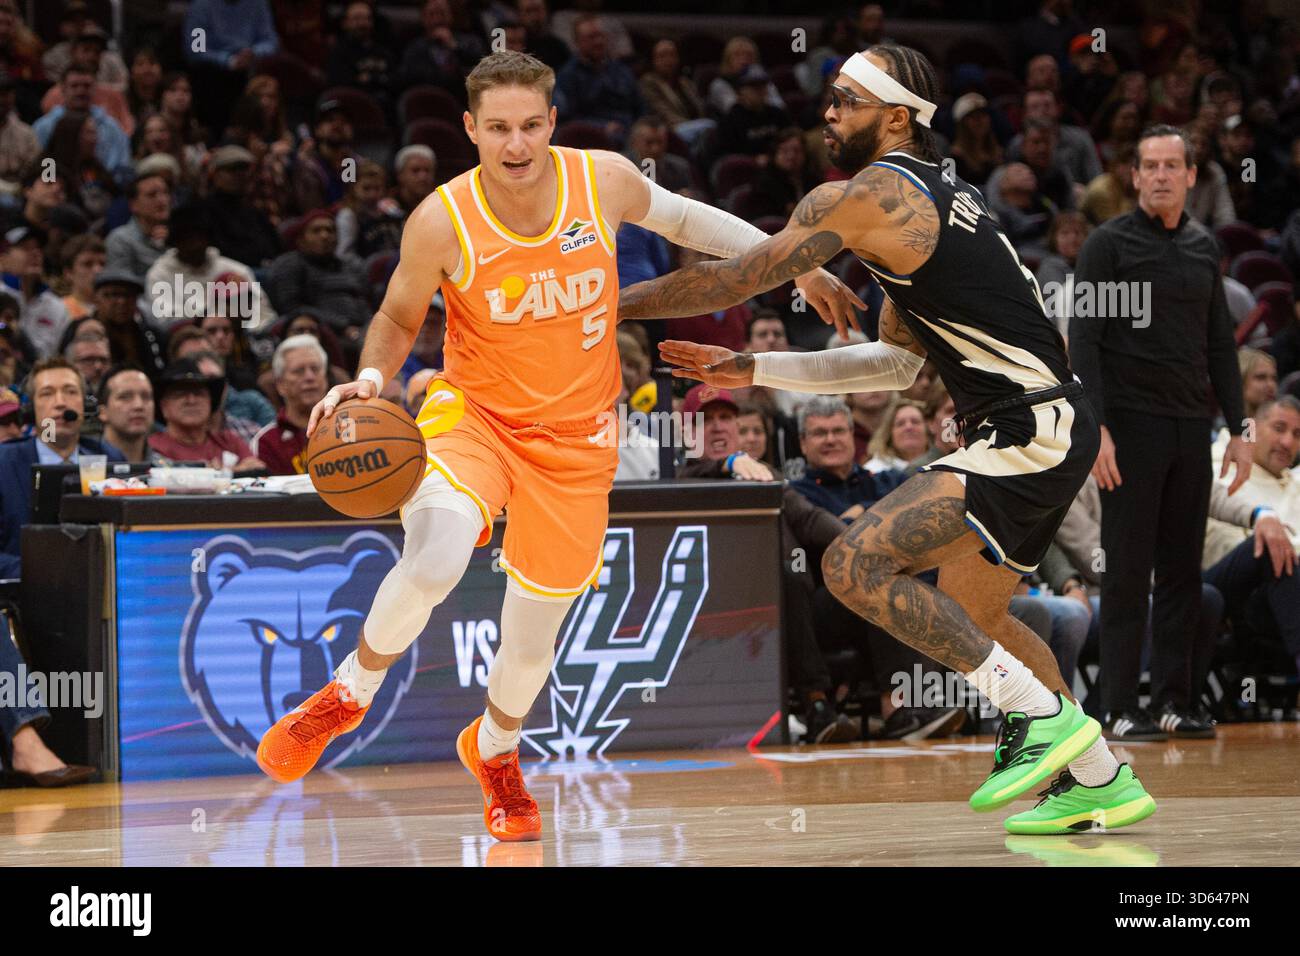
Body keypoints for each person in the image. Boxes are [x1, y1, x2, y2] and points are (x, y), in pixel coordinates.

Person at [254, 50, 860, 842]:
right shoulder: (442, 217)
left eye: (531, 126)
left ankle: (496, 753)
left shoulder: (599, 179)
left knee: (531, 634)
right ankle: (345, 694)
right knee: (436, 553)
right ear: (470, 128)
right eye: (498, 128)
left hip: (577, 441)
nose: (515, 145)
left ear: (551, 122)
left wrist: (796, 261)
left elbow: (686, 218)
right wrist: (371, 377)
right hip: (474, 418)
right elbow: (401, 316)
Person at [622, 43, 1156, 834]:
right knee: (982, 619)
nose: (827, 111)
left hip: (1025, 428)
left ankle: (1040, 718)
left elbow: (736, 278)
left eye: (846, 99)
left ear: (896, 117)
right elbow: (896, 364)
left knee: (851, 562)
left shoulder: (876, 190)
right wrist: (754, 366)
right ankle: (1099, 777)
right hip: (1043, 424)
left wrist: (601, 306)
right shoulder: (940, 201)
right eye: (829, 96)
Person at [1070, 124, 1251, 740]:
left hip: (1190, 429)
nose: (1162, 175)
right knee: (1126, 571)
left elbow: (1221, 348)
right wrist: (1097, 431)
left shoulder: (1204, 248)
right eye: (1150, 165)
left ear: (1192, 176)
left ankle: (1176, 700)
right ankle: (1119, 706)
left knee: (1181, 572)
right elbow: (1084, 343)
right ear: (1136, 175)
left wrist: (1240, 428)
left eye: (1173, 165)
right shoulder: (1107, 244)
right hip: (1129, 428)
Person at [1202, 396, 1300, 685]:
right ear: (1252, 429)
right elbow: (1220, 543)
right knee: (1272, 546)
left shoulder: (1294, 483)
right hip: (1223, 585)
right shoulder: (1220, 461)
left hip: (1282, 592)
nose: (1287, 442)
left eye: (1296, 435)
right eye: (1279, 428)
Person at [0, 357, 125, 579]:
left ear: (85, 405)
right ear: (30, 409)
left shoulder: (109, 459)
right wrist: (39, 573)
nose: (60, 402)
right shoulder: (4, 463)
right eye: (47, 393)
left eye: (70, 391)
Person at [147, 358, 263, 470]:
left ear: (210, 403)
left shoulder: (229, 441)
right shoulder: (153, 447)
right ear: (164, 407)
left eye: (199, 393)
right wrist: (228, 472)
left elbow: (256, 468)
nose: (191, 401)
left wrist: (223, 473)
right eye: (181, 394)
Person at [553, 15, 642, 147]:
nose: (598, 42)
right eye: (591, 37)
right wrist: (601, 126)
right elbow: (566, 118)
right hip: (593, 134)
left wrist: (641, 127)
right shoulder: (568, 75)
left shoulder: (621, 70)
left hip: (629, 129)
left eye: (601, 36)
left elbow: (640, 107)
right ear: (577, 42)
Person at [251, 334, 328, 475]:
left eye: (315, 369)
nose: (310, 377)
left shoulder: (346, 428)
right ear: (280, 385)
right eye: (299, 371)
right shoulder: (266, 442)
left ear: (325, 378)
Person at [104, 172, 170, 277]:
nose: (162, 200)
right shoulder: (120, 240)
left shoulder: (179, 236)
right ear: (133, 205)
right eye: (152, 195)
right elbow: (121, 286)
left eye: (165, 193)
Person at [97, 365, 164, 463]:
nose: (139, 405)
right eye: (125, 397)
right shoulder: (83, 470)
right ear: (103, 412)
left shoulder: (166, 472)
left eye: (146, 397)